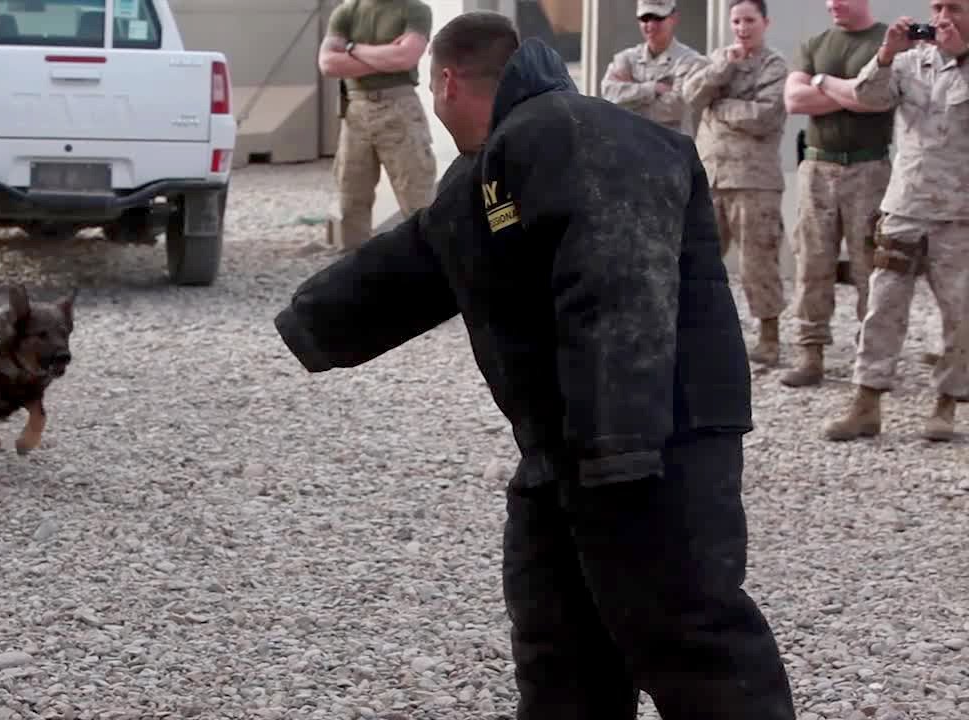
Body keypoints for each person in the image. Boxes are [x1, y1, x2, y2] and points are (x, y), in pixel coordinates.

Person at [273, 11, 796, 719]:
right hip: (569, 447)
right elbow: (424, 255)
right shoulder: (492, 171)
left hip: (656, 440)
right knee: (562, 645)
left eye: (432, 87)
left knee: (689, 637)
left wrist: (616, 448)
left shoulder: (586, 135)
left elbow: (619, 275)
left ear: (447, 80)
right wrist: (307, 326)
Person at [821, 3, 969, 442]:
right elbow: (866, 98)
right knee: (882, 307)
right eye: (937, 6)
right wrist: (885, 54)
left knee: (960, 316)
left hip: (960, 215)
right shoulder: (908, 61)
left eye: (954, 8)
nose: (943, 16)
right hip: (904, 207)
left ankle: (946, 405)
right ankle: (866, 403)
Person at [779, 0, 893, 387]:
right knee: (812, 262)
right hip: (817, 167)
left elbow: (878, 98)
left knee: (871, 265)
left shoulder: (886, 43)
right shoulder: (815, 43)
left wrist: (822, 82)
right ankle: (810, 355)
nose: (832, 4)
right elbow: (794, 101)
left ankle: (872, 359)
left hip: (869, 169)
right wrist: (853, 93)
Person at [681, 0, 789, 366]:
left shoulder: (773, 65)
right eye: (737, 21)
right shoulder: (719, 59)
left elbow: (764, 115)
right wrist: (722, 69)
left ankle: (769, 336)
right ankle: (696, 330)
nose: (742, 28)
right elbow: (691, 95)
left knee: (758, 262)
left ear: (765, 23)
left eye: (750, 20)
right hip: (711, 176)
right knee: (697, 258)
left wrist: (720, 109)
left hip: (753, 180)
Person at [318, 0, 438, 252]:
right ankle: (354, 270)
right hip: (355, 112)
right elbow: (328, 64)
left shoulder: (414, 9)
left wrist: (351, 48)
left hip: (399, 108)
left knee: (416, 194)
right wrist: (385, 57)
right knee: (351, 197)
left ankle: (432, 266)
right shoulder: (346, 12)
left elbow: (405, 58)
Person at [600, 0, 706, 136]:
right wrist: (652, 88)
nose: (650, 25)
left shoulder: (692, 61)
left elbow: (678, 106)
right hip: (630, 145)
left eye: (658, 18)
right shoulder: (625, 59)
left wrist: (628, 99)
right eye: (645, 18)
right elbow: (608, 93)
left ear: (674, 18)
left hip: (671, 149)